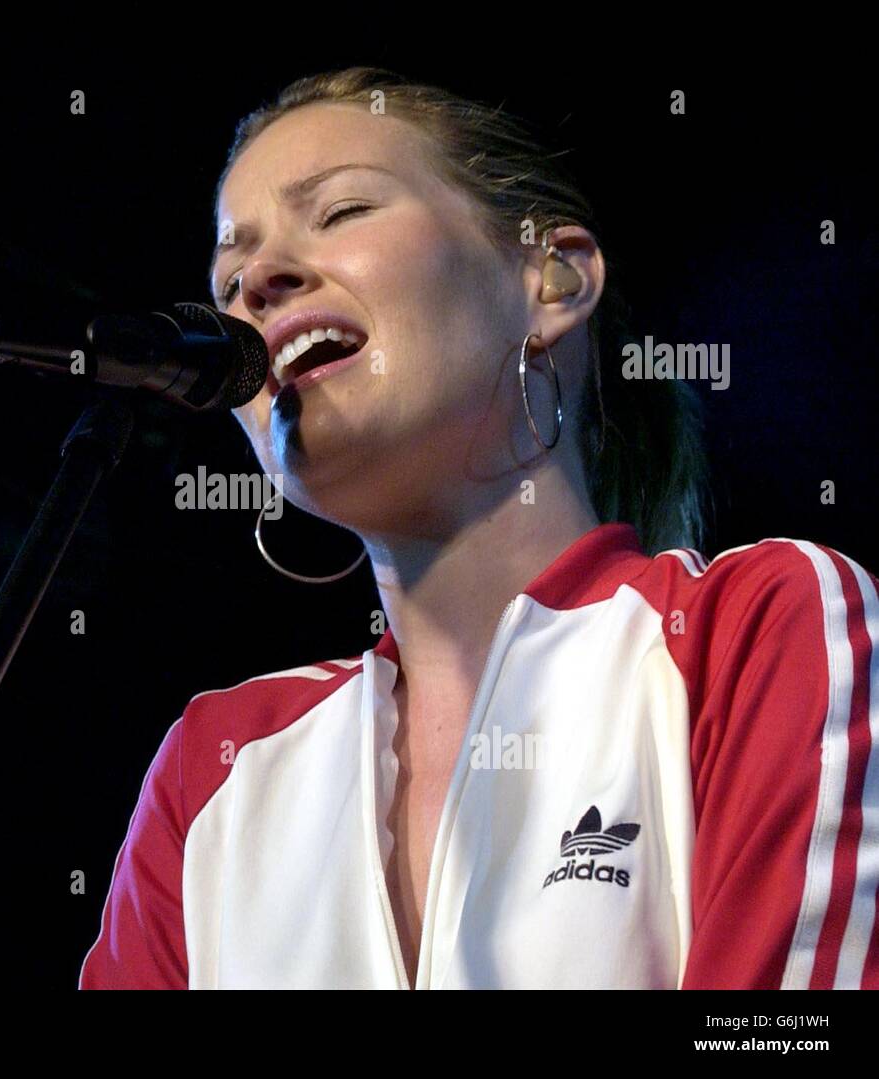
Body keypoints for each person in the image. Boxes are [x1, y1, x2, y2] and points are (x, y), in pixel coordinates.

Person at [79, 67, 879, 989]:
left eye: (339, 212)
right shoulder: (209, 775)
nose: (258, 282)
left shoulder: (757, 628)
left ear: (554, 278)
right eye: (229, 278)